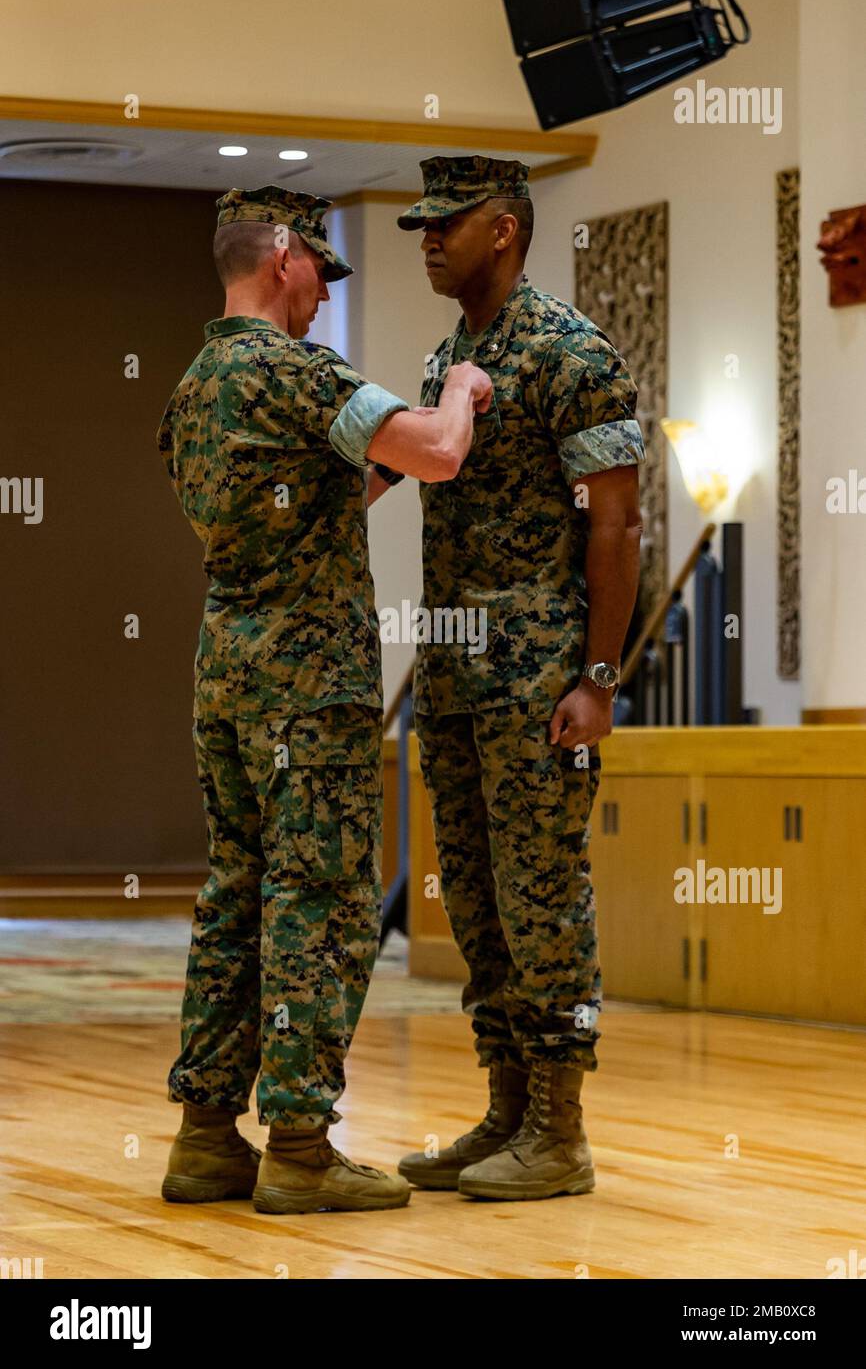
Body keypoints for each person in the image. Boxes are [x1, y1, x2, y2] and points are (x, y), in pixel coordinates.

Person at [157, 184, 491, 1215]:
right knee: (324, 900)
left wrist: (390, 457)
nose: (321, 304)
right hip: (312, 684)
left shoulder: (193, 387)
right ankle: (299, 1140)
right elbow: (433, 451)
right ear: (286, 256)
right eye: (319, 282)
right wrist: (462, 396)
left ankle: (206, 1137)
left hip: (226, 673)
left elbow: (306, 504)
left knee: (235, 897)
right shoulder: (294, 369)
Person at [395, 156, 645, 1201]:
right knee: (481, 906)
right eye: (420, 223)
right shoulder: (444, 361)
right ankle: (504, 1107)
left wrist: (596, 674)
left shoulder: (570, 352)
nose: (426, 238)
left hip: (538, 677)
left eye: (446, 223)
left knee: (546, 900)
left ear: (502, 229)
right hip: (454, 677)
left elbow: (618, 524)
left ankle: (559, 1128)